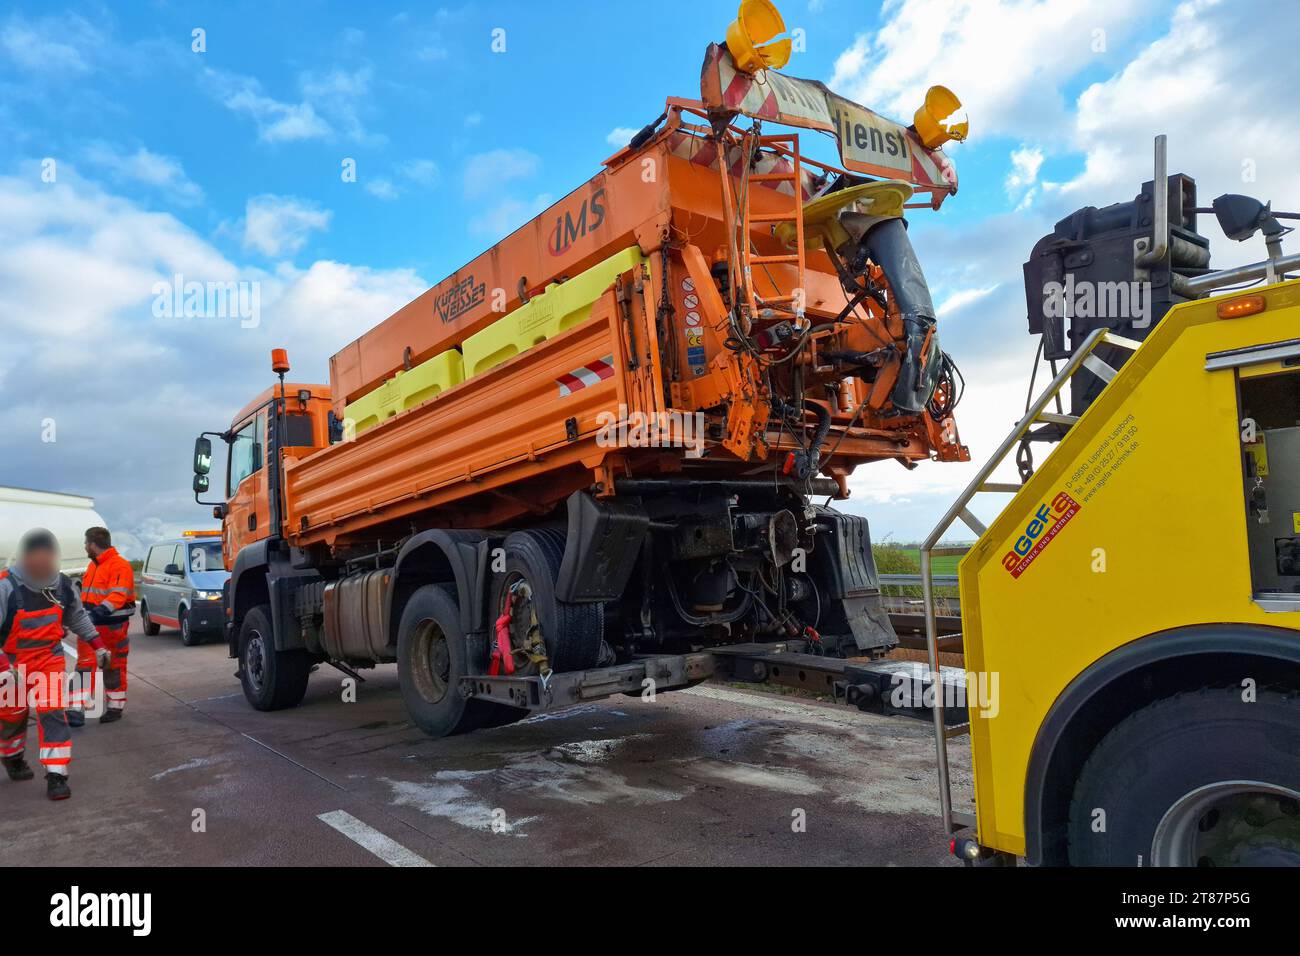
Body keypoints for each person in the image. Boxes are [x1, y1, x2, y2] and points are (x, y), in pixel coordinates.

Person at [0, 528, 107, 800]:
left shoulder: (61, 585)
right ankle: (12, 758)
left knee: (52, 714)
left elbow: (77, 617)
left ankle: (56, 775)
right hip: (11, 665)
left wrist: (98, 644)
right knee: (12, 715)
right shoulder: (6, 587)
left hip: (48, 660)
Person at [72, 527, 134, 725]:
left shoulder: (119, 565)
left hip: (112, 627)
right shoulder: (94, 566)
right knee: (83, 667)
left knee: (113, 667)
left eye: (85, 544)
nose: (84, 547)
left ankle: (115, 708)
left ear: (92, 544)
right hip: (91, 627)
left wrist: (95, 614)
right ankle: (75, 710)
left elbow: (117, 596)